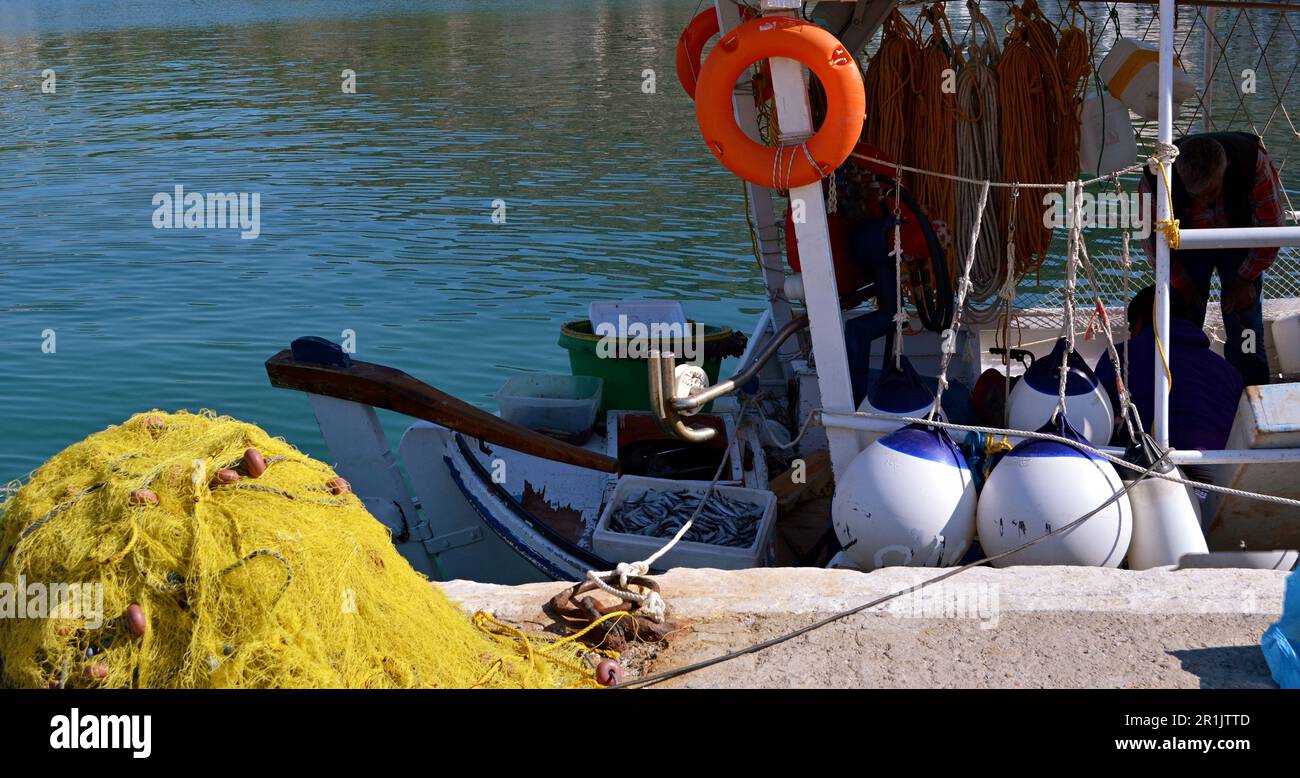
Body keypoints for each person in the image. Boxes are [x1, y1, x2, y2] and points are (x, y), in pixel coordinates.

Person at [1139, 131, 1285, 387]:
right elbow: (1152, 242)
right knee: (1182, 319)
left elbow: (1272, 228)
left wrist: (1244, 280)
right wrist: (1182, 284)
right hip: (1184, 241)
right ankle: (1181, 387)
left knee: (1245, 321)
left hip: (1241, 238)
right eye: (1197, 195)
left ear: (1226, 167)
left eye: (1211, 191)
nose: (1205, 200)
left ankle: (1250, 391)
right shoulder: (1155, 177)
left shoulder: (1252, 162)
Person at [1094, 285, 1242, 452]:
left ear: (1140, 321)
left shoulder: (1118, 357)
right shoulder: (1228, 370)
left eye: (1131, 327)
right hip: (1221, 465)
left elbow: (1098, 415)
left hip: (1154, 466)